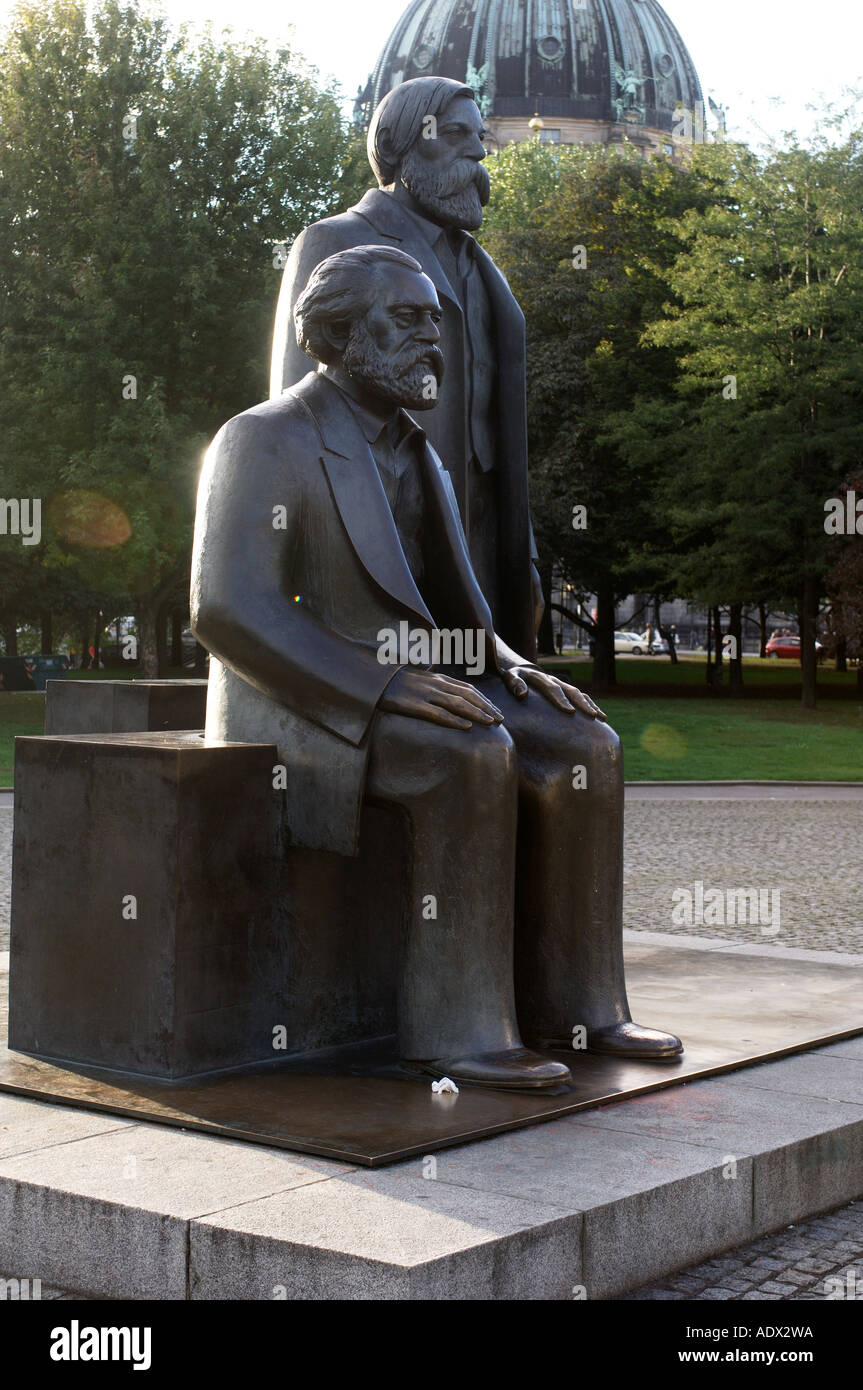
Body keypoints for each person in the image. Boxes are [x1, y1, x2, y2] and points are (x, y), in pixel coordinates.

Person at [192, 246, 682, 1091]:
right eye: (409, 320)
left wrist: (506, 663)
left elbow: (449, 612)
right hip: (298, 700)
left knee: (583, 746)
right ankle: (458, 1031)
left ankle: (584, 1008)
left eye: (438, 322)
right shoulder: (263, 439)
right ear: (339, 332)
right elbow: (229, 608)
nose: (434, 340)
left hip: (411, 679)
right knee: (469, 755)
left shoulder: (421, 456)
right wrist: (377, 683)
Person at [270, 76, 542, 659]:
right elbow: (296, 410)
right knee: (444, 732)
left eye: (481, 135)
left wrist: (524, 554)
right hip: (381, 545)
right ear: (401, 146)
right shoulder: (335, 242)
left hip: (485, 545)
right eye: (457, 134)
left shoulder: (481, 269)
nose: (478, 151)